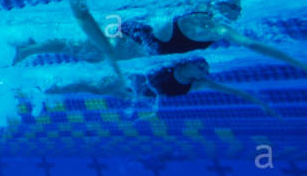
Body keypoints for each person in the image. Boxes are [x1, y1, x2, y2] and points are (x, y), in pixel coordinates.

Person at [14, 0, 307, 71]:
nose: (237, 14)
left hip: (145, 36)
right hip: (144, 40)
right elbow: (254, 45)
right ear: (222, 7)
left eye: (237, 10)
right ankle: (29, 48)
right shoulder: (216, 27)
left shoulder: (204, 11)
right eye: (234, 8)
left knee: (89, 52)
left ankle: (33, 45)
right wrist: (294, 61)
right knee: (91, 52)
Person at [47, 58, 276, 114]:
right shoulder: (170, 63)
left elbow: (231, 90)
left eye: (205, 70)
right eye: (201, 68)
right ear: (189, 63)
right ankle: (53, 87)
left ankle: (51, 89)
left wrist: (258, 101)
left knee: (95, 87)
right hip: (137, 85)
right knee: (96, 85)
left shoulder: (200, 83)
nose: (203, 73)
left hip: (141, 93)